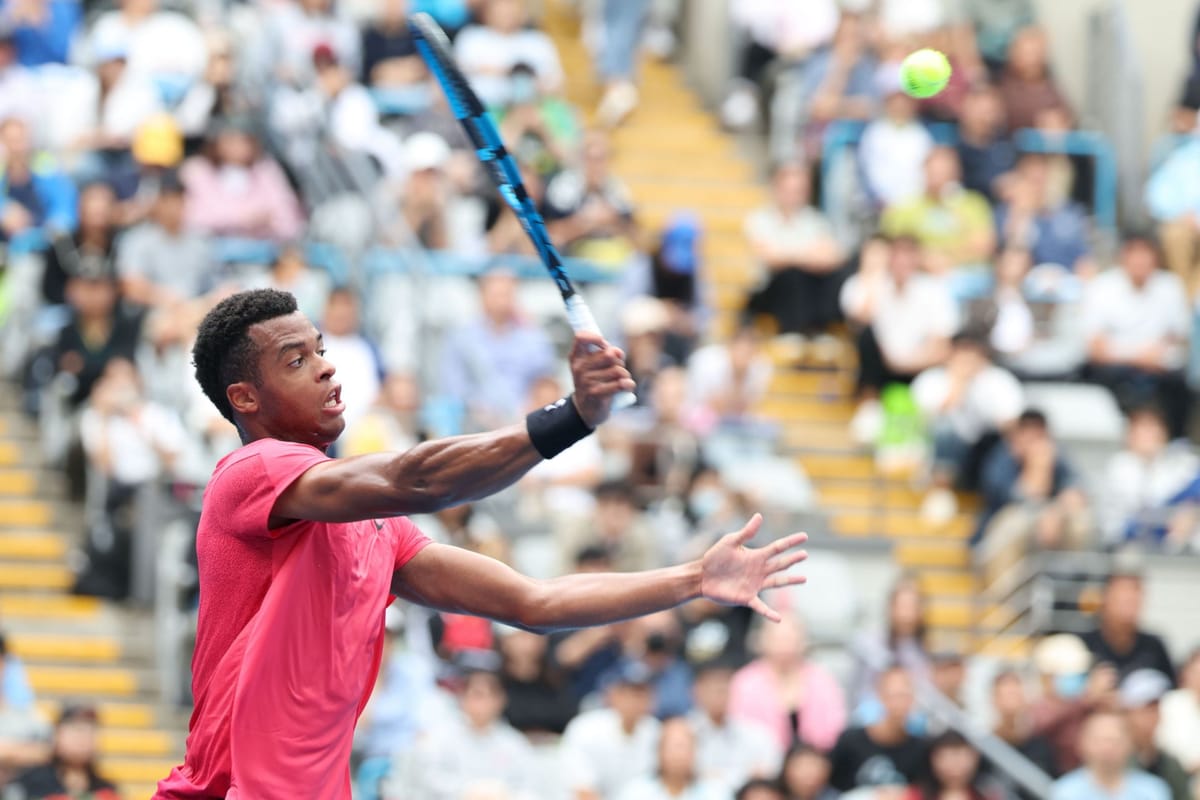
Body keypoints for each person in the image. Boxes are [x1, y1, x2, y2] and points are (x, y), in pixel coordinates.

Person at [154, 288, 808, 798]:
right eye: (296, 362)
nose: (327, 370)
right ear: (245, 398)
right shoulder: (252, 473)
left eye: (321, 350)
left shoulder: (376, 531)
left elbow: (536, 603)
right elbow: (415, 477)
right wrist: (571, 417)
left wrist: (693, 578)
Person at [840, 235, 958, 444]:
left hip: (921, 370)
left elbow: (943, 345)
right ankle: (869, 406)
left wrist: (907, 363)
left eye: (909, 255)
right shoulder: (871, 286)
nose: (902, 262)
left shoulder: (933, 290)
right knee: (866, 337)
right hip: (882, 370)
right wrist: (873, 274)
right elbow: (859, 318)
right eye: (897, 255)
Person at [1081, 235, 1191, 440]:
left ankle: (1176, 440)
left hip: (1158, 368)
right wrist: (1138, 356)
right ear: (1123, 257)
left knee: (1180, 384)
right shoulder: (1102, 288)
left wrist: (1154, 357)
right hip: (1115, 368)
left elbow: (1178, 337)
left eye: (1145, 254)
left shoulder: (1170, 286)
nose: (1140, 261)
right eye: (1134, 254)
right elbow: (1095, 348)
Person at [911, 332, 1024, 518]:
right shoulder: (931, 380)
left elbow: (1011, 425)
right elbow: (926, 421)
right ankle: (940, 491)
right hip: (941, 453)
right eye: (962, 353)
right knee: (944, 428)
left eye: (973, 355)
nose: (968, 360)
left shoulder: (999, 381)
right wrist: (959, 384)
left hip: (985, 452)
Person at [389, 668, 539, 800]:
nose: (483, 704)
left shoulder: (514, 743)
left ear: (501, 700)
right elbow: (428, 782)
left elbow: (528, 788)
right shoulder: (439, 738)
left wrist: (499, 793)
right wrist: (468, 792)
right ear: (463, 699)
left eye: (489, 696)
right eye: (477, 695)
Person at [975, 410, 1089, 576]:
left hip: (1049, 524)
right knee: (1015, 525)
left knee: (1080, 522)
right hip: (995, 537)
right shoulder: (1002, 459)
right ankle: (1004, 597)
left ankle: (1073, 586)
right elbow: (1014, 497)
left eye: (1039, 437)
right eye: (1029, 436)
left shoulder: (1057, 456)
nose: (1035, 444)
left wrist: (1055, 512)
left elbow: (1077, 490)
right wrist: (1037, 468)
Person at [439, 269, 556, 430]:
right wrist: (479, 411)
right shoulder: (463, 337)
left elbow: (545, 382)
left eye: (506, 294)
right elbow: (454, 387)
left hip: (526, 420)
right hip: (475, 421)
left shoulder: (533, 337)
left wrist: (528, 410)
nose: (501, 301)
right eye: (496, 295)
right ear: (482, 296)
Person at [743, 162, 846, 339]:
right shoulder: (760, 219)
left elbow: (834, 257)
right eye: (788, 189)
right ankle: (791, 331)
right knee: (792, 275)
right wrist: (808, 256)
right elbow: (771, 259)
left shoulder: (814, 220)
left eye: (798, 190)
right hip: (769, 292)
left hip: (809, 290)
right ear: (776, 188)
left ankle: (819, 330)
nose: (793, 196)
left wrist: (791, 255)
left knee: (834, 277)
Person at [728, 614, 846, 753]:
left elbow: (836, 727)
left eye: (789, 639)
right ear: (762, 641)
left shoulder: (822, 680)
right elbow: (738, 730)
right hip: (760, 764)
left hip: (816, 762)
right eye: (777, 639)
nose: (784, 646)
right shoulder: (744, 683)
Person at [179, 116, 304, 243]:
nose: (237, 147)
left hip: (264, 251)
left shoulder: (266, 170)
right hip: (210, 251)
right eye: (230, 140)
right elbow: (196, 218)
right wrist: (245, 219)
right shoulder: (197, 170)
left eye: (243, 140)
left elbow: (288, 219)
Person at [882, 147, 996, 280]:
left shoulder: (973, 204)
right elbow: (891, 245)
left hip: (964, 274)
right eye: (933, 172)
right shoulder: (906, 207)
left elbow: (983, 245)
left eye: (943, 172)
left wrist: (947, 258)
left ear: (955, 174)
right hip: (917, 273)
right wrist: (924, 259)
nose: (937, 177)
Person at [560, 660, 663, 800]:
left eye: (641, 693)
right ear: (611, 694)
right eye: (625, 692)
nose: (633, 700)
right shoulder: (585, 729)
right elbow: (582, 790)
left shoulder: (656, 732)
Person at [1099, 407, 1200, 548]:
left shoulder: (1176, 462)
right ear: (1129, 436)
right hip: (1125, 540)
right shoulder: (1120, 465)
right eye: (1143, 429)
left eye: (1154, 428)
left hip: (1168, 533)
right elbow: (1142, 510)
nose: (1150, 435)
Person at [116, 171, 214, 311]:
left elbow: (214, 283)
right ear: (156, 202)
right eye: (167, 200)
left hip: (196, 309)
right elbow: (131, 286)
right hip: (152, 312)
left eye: (178, 199)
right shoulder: (136, 239)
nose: (172, 207)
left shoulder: (201, 239)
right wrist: (171, 301)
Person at [543, 130, 638, 266]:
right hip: (570, 260)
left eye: (601, 159)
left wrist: (613, 220)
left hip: (612, 260)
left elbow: (635, 237)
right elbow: (550, 234)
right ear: (581, 159)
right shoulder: (564, 187)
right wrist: (584, 224)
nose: (596, 166)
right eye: (591, 159)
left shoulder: (618, 189)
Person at [829, 666, 928, 792]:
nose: (898, 704)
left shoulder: (920, 748)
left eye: (904, 696)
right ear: (880, 696)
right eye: (893, 696)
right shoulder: (850, 741)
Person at [689, 661, 782, 790]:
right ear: (696, 691)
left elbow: (769, 768)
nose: (717, 695)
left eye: (723, 688)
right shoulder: (683, 732)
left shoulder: (756, 733)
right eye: (711, 688)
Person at [453, 0, 562, 108]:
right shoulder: (471, 38)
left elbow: (557, 82)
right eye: (501, 6)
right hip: (485, 109)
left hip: (536, 107)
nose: (507, 12)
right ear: (487, 11)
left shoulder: (538, 40)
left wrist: (534, 86)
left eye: (512, 5)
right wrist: (508, 72)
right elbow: (458, 75)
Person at [850, 575, 932, 710]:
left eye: (912, 606)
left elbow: (923, 695)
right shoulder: (868, 644)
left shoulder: (922, 651)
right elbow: (856, 691)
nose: (906, 614)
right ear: (891, 607)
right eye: (902, 606)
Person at [5, 704, 119, 800]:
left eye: (90, 731)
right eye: (76, 730)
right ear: (57, 735)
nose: (82, 738)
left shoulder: (105, 790)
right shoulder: (30, 782)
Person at [1080, 571, 1177, 684]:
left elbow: (1170, 690)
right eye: (1122, 599)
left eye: (1134, 599)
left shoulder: (1154, 647)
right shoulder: (1083, 646)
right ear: (1105, 600)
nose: (1129, 607)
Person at [858, 66, 935, 207]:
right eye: (895, 100)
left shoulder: (921, 135)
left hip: (917, 205)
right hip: (882, 206)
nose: (900, 105)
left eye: (905, 100)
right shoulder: (875, 134)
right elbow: (871, 175)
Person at [1050, 711, 1170, 800]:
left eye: (1114, 740)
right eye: (1099, 740)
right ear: (1082, 744)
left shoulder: (1153, 790)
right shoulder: (1063, 793)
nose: (1107, 748)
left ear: (1130, 744)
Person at [616, 716, 735, 800]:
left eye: (684, 747)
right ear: (659, 752)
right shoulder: (636, 792)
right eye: (672, 747)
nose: (678, 754)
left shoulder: (715, 792)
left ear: (695, 752)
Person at [1120, 670, 1191, 800]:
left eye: (1156, 708)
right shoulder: (1115, 759)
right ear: (1127, 713)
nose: (1153, 716)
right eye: (1146, 709)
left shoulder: (1170, 763)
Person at [987, 670, 1058, 798]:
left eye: (1015, 695)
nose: (1010, 703)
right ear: (994, 700)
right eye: (1004, 696)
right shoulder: (987, 747)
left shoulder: (1041, 744)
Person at [997, 27, 1072, 134]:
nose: (1032, 60)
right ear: (1014, 53)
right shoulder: (1002, 85)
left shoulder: (1051, 86)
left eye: (1036, 53)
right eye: (1027, 53)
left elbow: (1067, 114)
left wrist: (1059, 120)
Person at [955, 86, 1017, 204]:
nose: (987, 118)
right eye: (981, 111)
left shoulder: (1006, 144)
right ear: (965, 110)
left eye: (991, 111)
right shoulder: (952, 147)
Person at [904, 730, 999, 800]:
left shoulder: (987, 794)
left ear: (975, 758)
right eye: (946, 757)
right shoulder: (916, 795)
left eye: (959, 757)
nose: (954, 766)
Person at [1157, 649, 1200, 773]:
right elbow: (1162, 743)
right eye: (1197, 673)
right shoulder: (1169, 703)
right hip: (1173, 773)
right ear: (1186, 674)